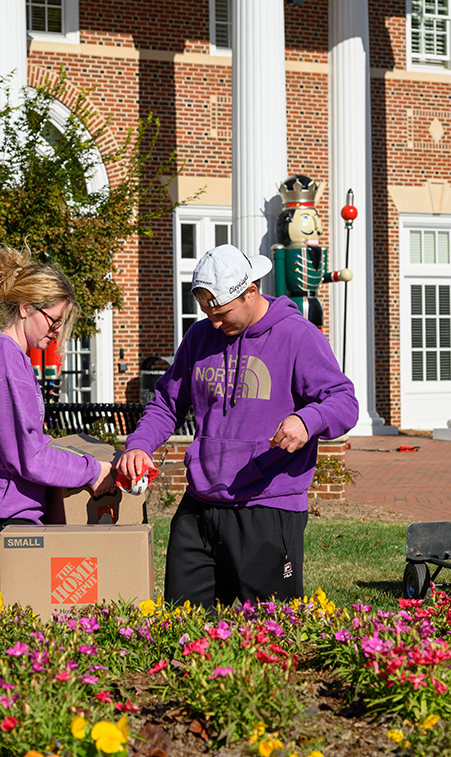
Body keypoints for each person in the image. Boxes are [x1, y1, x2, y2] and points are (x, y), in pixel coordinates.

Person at [116, 244, 359, 609]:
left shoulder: (298, 336)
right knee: (182, 625)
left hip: (267, 504)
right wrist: (139, 444)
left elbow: (344, 402)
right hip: (200, 503)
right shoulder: (200, 338)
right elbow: (167, 402)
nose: (214, 323)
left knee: (268, 633)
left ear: (251, 292)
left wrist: (307, 420)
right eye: (207, 312)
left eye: (223, 313)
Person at [0, 246, 114, 601]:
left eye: (61, 323)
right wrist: (93, 470)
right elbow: (29, 458)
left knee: (18, 625)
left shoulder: (4, 356)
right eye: (53, 320)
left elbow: (24, 441)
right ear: (26, 308)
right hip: (2, 515)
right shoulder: (6, 361)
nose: (57, 331)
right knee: (26, 629)